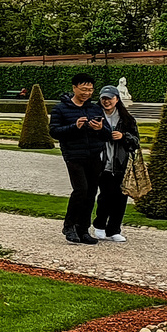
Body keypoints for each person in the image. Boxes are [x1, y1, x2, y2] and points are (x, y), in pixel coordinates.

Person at [51, 73, 118, 245]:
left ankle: (83, 229)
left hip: (94, 155)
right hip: (74, 155)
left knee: (90, 193)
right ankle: (69, 225)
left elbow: (106, 135)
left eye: (90, 90)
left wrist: (100, 128)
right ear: (74, 88)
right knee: (80, 190)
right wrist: (75, 126)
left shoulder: (95, 109)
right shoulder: (61, 108)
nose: (87, 93)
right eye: (84, 89)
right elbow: (54, 132)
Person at [90, 86, 141, 243]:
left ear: (117, 99)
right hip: (101, 162)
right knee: (105, 195)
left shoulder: (127, 119)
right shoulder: (95, 115)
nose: (106, 101)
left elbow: (136, 141)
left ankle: (114, 229)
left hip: (120, 163)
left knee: (120, 197)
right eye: (104, 98)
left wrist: (123, 136)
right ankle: (99, 225)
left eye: (109, 98)